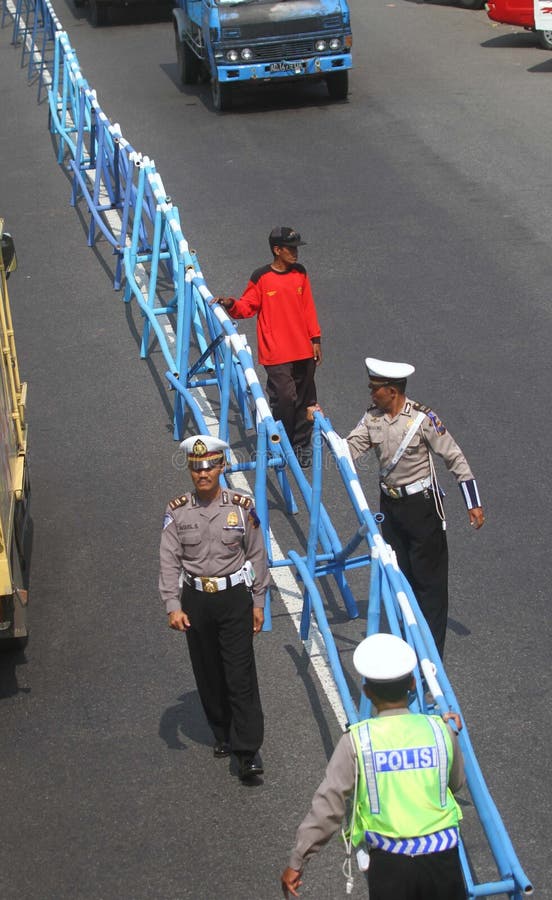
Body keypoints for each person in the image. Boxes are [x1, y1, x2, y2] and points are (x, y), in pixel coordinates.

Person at [281, 633, 466, 900]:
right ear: (413, 684)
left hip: (391, 864)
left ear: (367, 692)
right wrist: (451, 734)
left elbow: (328, 806)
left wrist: (297, 861)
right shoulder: (440, 730)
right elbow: (456, 782)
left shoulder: (357, 740)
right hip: (443, 860)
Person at [346, 358, 485, 657]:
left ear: (392, 391)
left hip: (422, 509)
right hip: (391, 507)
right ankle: (408, 647)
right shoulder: (372, 418)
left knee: (429, 585)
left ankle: (431, 659)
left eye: (375, 389)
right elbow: (349, 449)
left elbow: (454, 458)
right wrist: (322, 433)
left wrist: (472, 503)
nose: (371, 394)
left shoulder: (423, 420)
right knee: (401, 576)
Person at [159, 435, 270, 780]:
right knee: (208, 671)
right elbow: (168, 560)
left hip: (234, 596)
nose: (202, 473)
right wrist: (172, 605)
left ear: (222, 467)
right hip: (196, 601)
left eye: (209, 466)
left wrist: (259, 600)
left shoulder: (240, 506)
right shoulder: (176, 511)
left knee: (239, 673)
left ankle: (248, 750)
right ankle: (221, 731)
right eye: (196, 467)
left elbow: (256, 554)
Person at [215, 226, 322, 467]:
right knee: (284, 397)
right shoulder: (261, 277)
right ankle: (283, 442)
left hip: (303, 348)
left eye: (296, 248)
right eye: (291, 248)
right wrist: (230, 303)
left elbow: (308, 307)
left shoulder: (300, 273)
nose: (295, 253)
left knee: (306, 397)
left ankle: (301, 444)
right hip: (276, 352)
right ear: (277, 250)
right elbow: (247, 306)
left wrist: (316, 339)